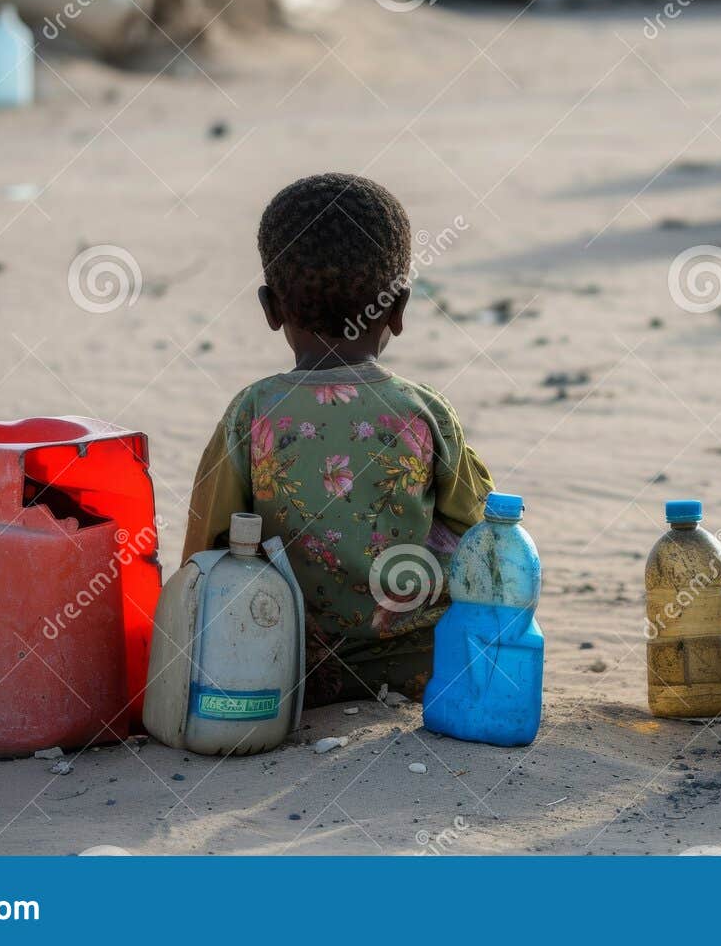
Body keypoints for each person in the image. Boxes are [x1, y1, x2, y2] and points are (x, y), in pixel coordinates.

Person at [183, 173, 494, 706]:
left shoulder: (253, 413)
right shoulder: (424, 412)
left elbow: (206, 547)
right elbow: (484, 530)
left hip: (283, 670)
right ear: (398, 309)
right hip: (424, 669)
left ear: (270, 307)